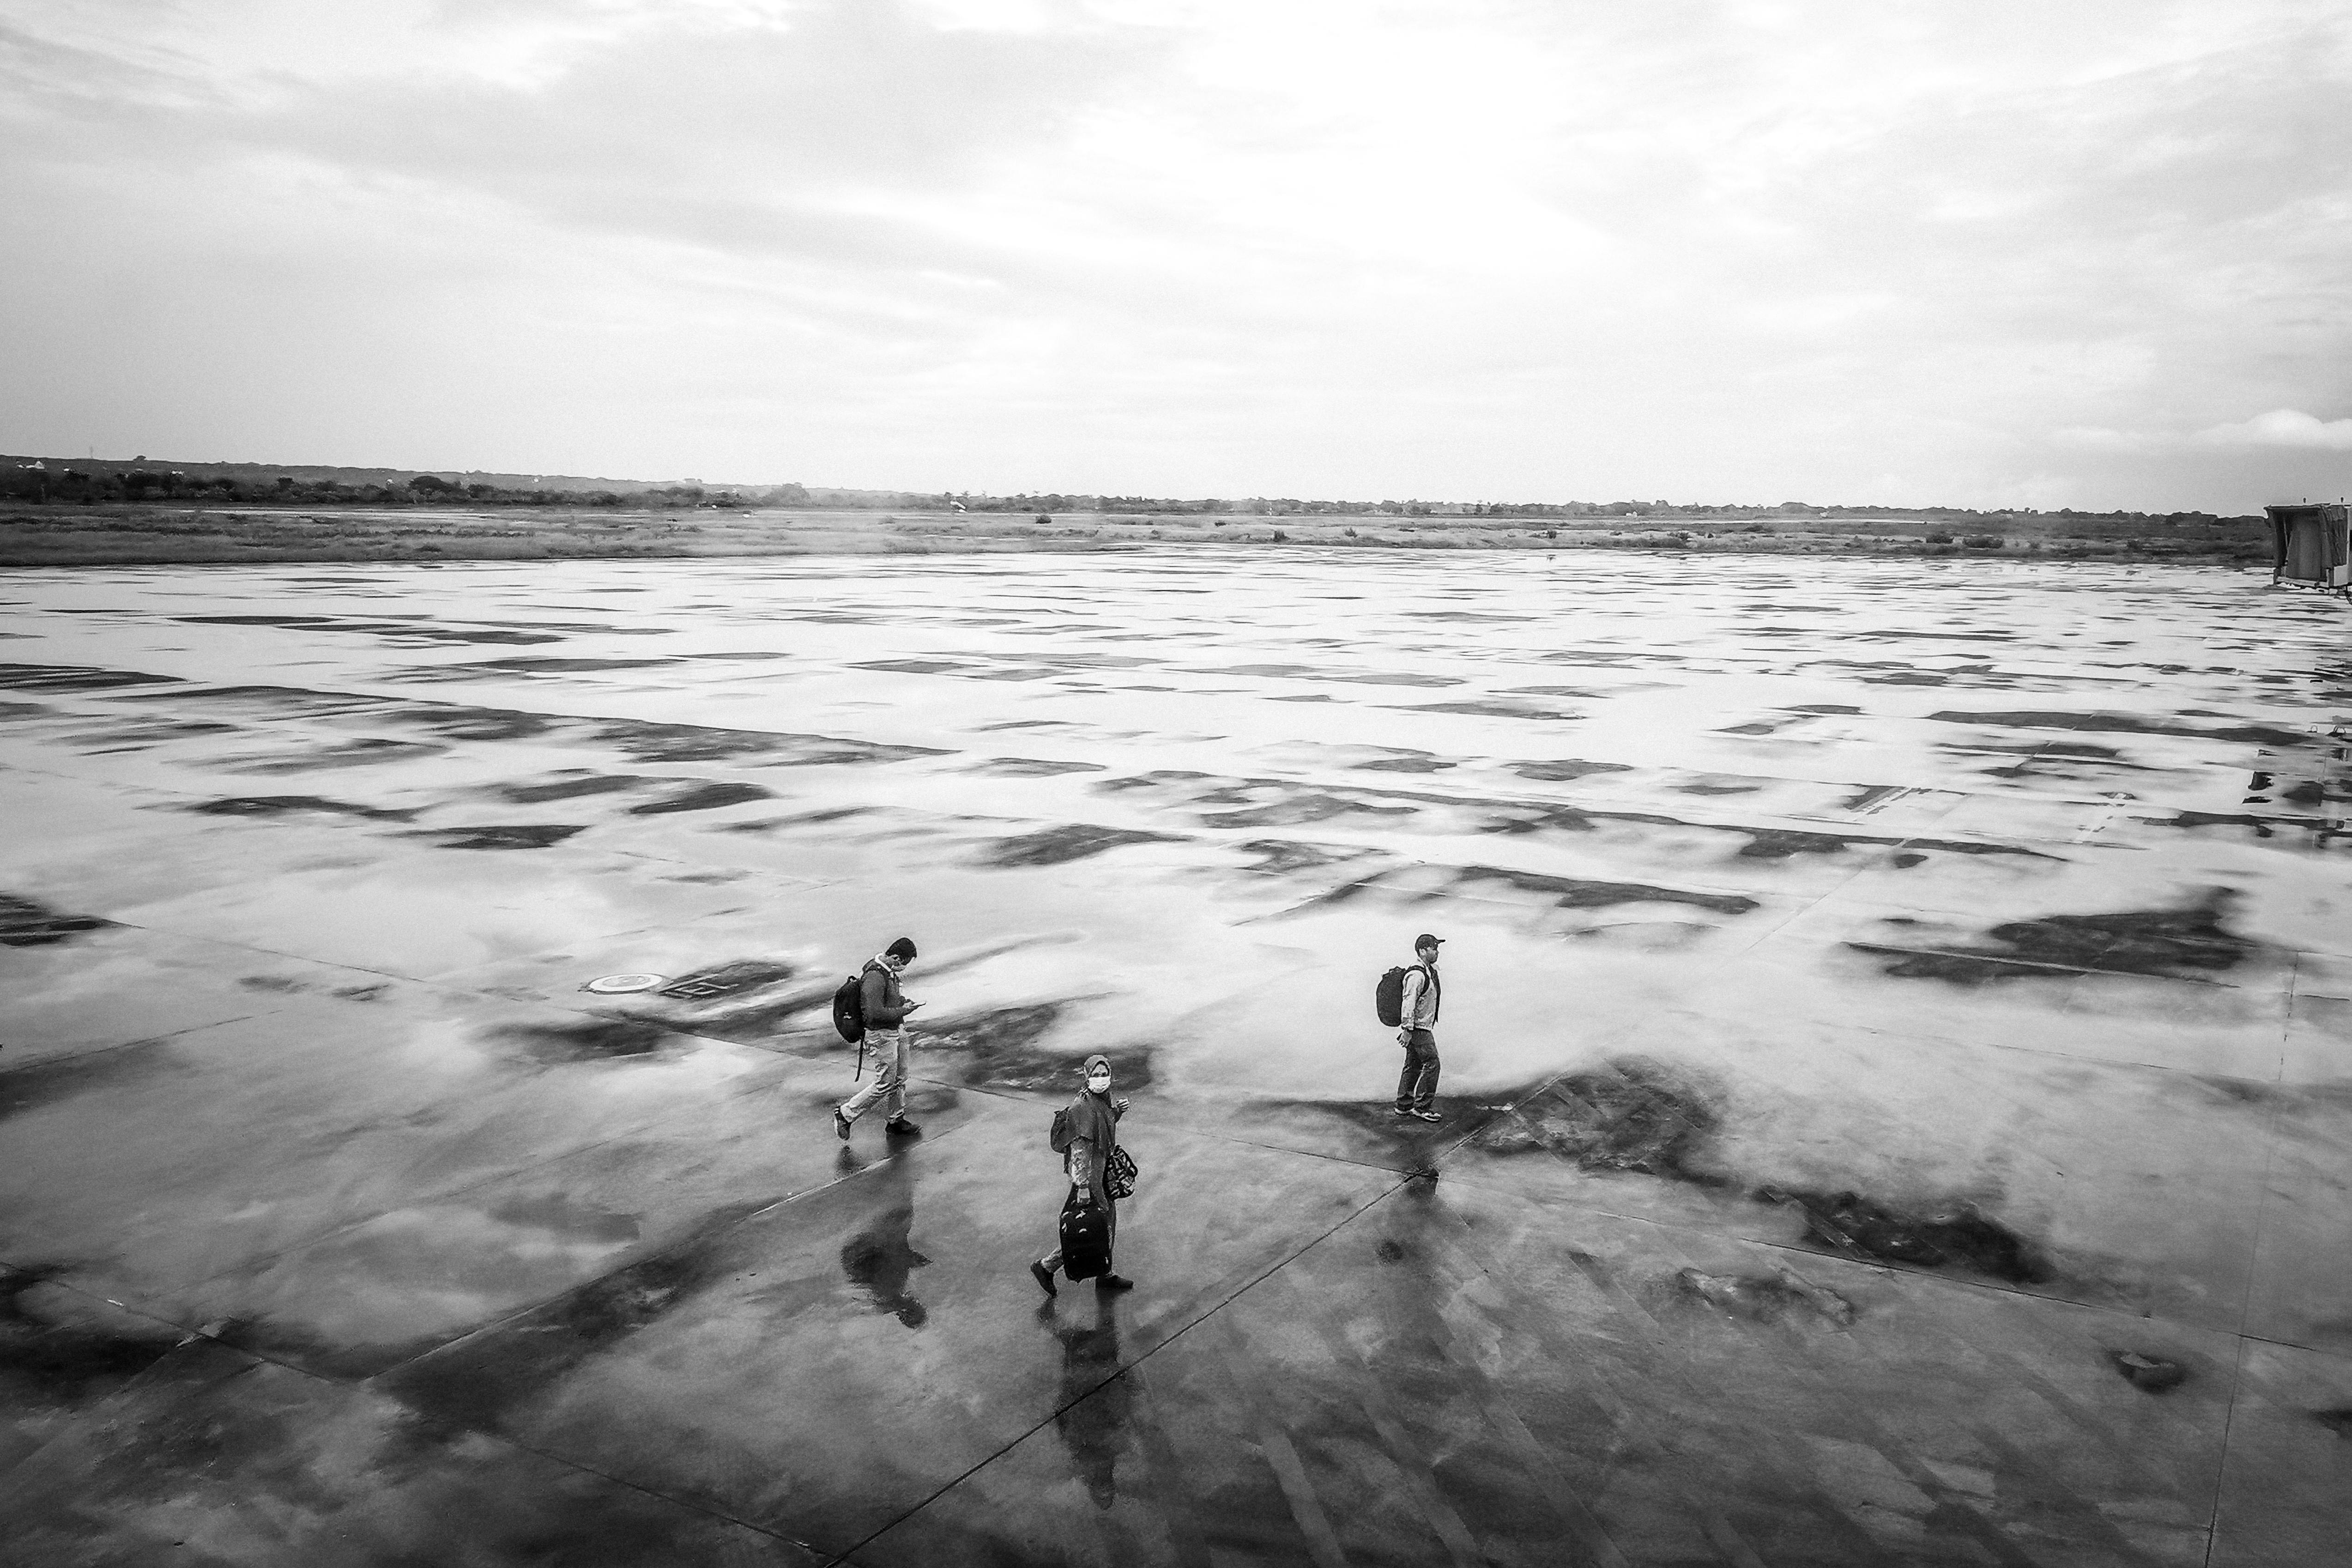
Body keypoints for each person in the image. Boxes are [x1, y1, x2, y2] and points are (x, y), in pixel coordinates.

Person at [1032, 1054, 1132, 1295]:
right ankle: (1046, 1266)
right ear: (1087, 1077)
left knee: (1107, 1224)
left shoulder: (1101, 1101)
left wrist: (1116, 1113)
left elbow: (1103, 1127)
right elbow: (1079, 1151)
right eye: (1096, 1075)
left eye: (1104, 1074)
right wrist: (1084, 1187)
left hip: (1102, 1172)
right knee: (1090, 1230)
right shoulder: (1083, 1108)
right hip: (1090, 1179)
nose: (1101, 1079)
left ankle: (1105, 1274)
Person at [834, 937, 924, 1139]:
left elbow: (887, 1002)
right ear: (895, 958)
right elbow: (874, 1013)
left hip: (896, 1030)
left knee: (900, 1078)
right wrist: (904, 1010)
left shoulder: (889, 973)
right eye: (905, 963)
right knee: (884, 1083)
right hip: (881, 1035)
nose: (904, 968)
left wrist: (902, 1003)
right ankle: (846, 1114)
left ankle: (896, 1120)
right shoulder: (875, 976)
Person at [1392, 933, 1443, 1122]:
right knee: (1432, 1064)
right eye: (1434, 948)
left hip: (1420, 1026)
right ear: (1423, 951)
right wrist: (1407, 1029)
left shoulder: (1428, 971)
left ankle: (1404, 1105)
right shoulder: (1416, 975)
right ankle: (1423, 1107)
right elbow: (1408, 1002)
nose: (1437, 952)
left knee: (1413, 1065)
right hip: (1419, 1028)